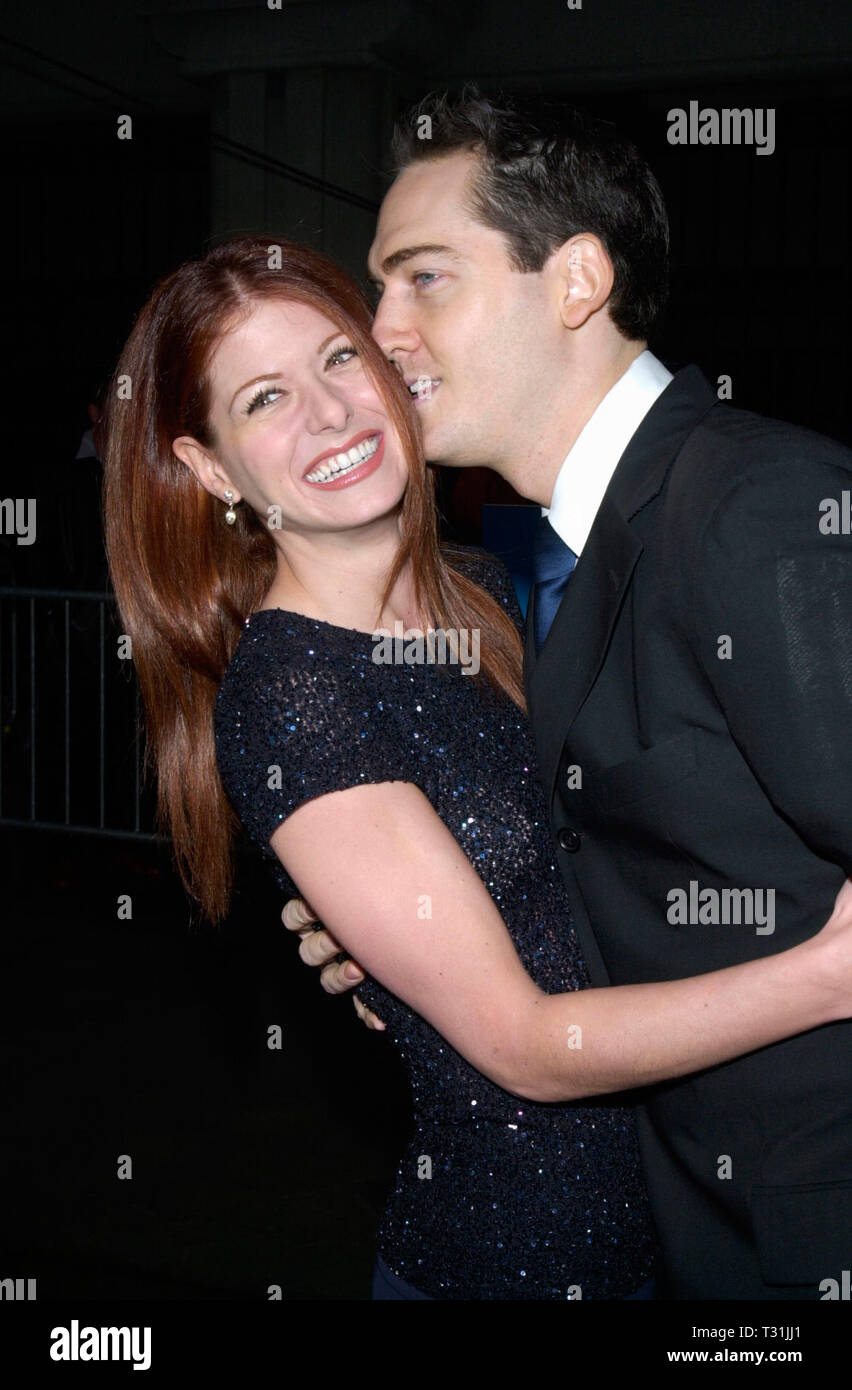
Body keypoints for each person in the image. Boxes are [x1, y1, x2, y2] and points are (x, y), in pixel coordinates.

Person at [101, 234, 852, 1303]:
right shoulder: (292, 694)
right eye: (264, 399)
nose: (330, 414)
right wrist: (825, 974)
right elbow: (527, 1042)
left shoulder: (492, 587)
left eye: (340, 360)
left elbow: (610, 827)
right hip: (512, 1262)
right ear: (211, 466)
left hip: (690, 1222)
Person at [289, 88, 852, 1300]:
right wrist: (421, 928)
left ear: (576, 281)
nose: (380, 328)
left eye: (422, 277)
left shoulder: (751, 505)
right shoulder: (560, 553)